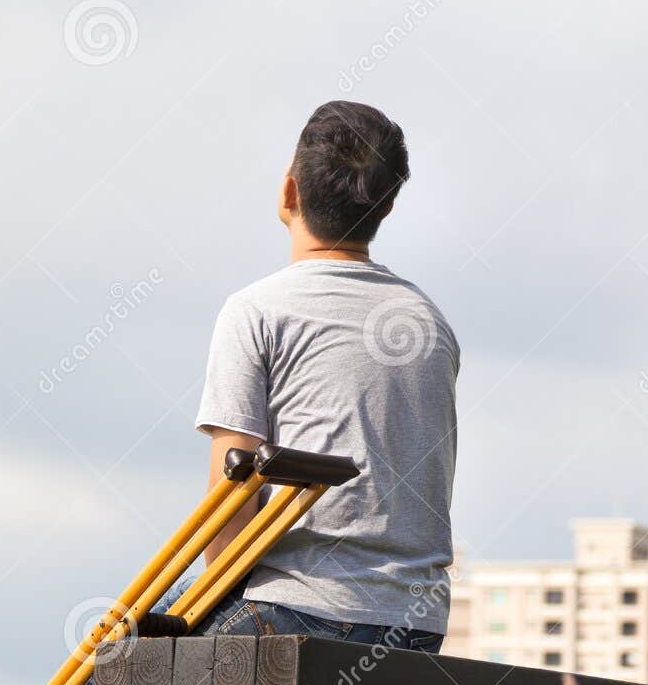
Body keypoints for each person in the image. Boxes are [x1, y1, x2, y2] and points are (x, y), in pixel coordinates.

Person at [169, 100, 458, 653]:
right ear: (388, 206)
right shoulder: (428, 322)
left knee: (124, 656)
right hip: (415, 625)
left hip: (299, 609)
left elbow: (226, 516)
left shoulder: (255, 310)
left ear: (288, 191)